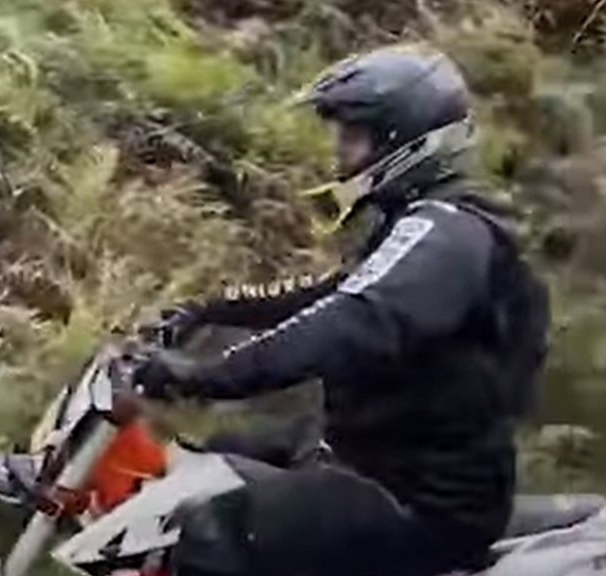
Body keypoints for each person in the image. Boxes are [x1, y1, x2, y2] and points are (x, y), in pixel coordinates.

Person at [134, 43, 551, 576]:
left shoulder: (447, 232)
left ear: (406, 143)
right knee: (216, 452)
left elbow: (350, 320)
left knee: (201, 525)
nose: (339, 153)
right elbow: (325, 295)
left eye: (353, 137)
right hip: (375, 464)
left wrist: (208, 375)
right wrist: (205, 313)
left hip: (422, 508)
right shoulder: (420, 223)